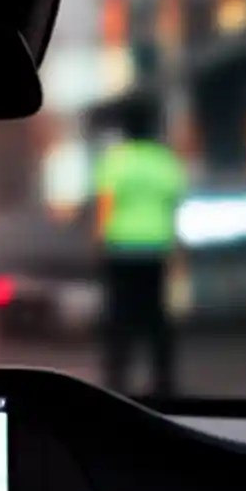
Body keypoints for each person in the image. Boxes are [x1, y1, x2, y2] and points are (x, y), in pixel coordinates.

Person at [92, 103, 187, 396]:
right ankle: (164, 382)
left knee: (120, 317)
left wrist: (99, 239)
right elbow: (174, 204)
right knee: (157, 318)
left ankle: (117, 382)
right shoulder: (165, 161)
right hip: (157, 248)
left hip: (120, 248)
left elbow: (106, 204)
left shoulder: (116, 161)